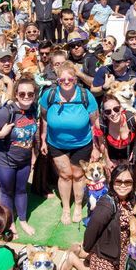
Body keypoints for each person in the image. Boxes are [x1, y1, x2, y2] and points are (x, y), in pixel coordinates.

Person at [63, 163, 136, 270]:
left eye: (128, 182)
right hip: (106, 249)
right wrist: (88, 246)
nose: (123, 185)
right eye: (118, 181)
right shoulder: (107, 204)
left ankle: (81, 252)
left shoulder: (133, 197)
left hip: (119, 248)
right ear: (112, 181)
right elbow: (92, 229)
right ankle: (74, 259)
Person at [40, 63, 100, 225]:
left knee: (78, 175)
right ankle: (66, 208)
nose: (66, 82)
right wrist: (43, 139)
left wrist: (96, 146)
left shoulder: (85, 95)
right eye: (62, 79)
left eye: (70, 79)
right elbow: (44, 118)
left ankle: (78, 206)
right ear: (57, 80)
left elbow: (95, 123)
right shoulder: (49, 95)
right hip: (56, 143)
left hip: (82, 143)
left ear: (75, 79)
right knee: (65, 175)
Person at [0, 76, 40, 235]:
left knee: (21, 190)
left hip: (24, 159)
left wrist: (34, 154)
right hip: (4, 160)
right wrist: (1, 133)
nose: (26, 97)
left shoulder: (33, 109)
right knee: (7, 191)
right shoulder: (6, 111)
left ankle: (22, 220)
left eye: (30, 94)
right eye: (22, 94)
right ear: (16, 94)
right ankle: (9, 223)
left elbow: (31, 135)